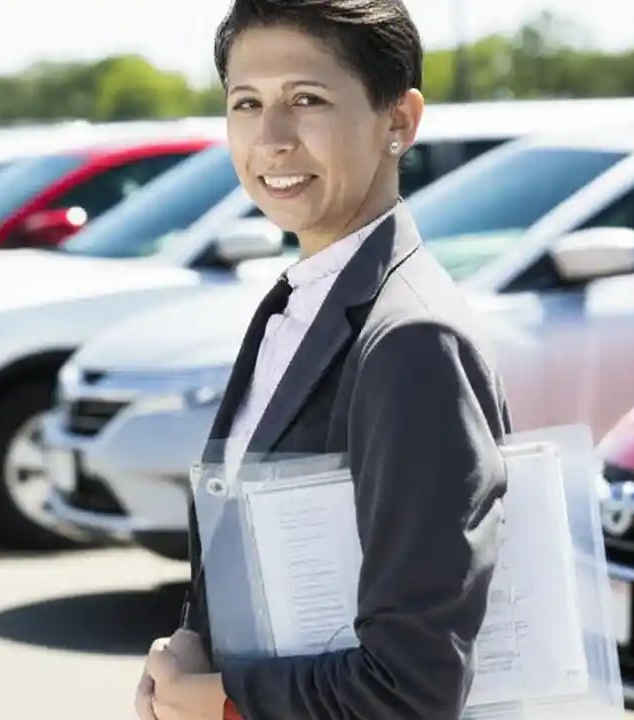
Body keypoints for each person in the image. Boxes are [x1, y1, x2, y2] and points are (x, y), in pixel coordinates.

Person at [134, 1, 513, 718]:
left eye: (306, 99)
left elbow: (412, 688)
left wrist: (222, 704)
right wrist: (193, 642)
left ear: (398, 121)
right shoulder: (294, 301)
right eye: (246, 103)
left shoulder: (411, 340)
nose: (271, 139)